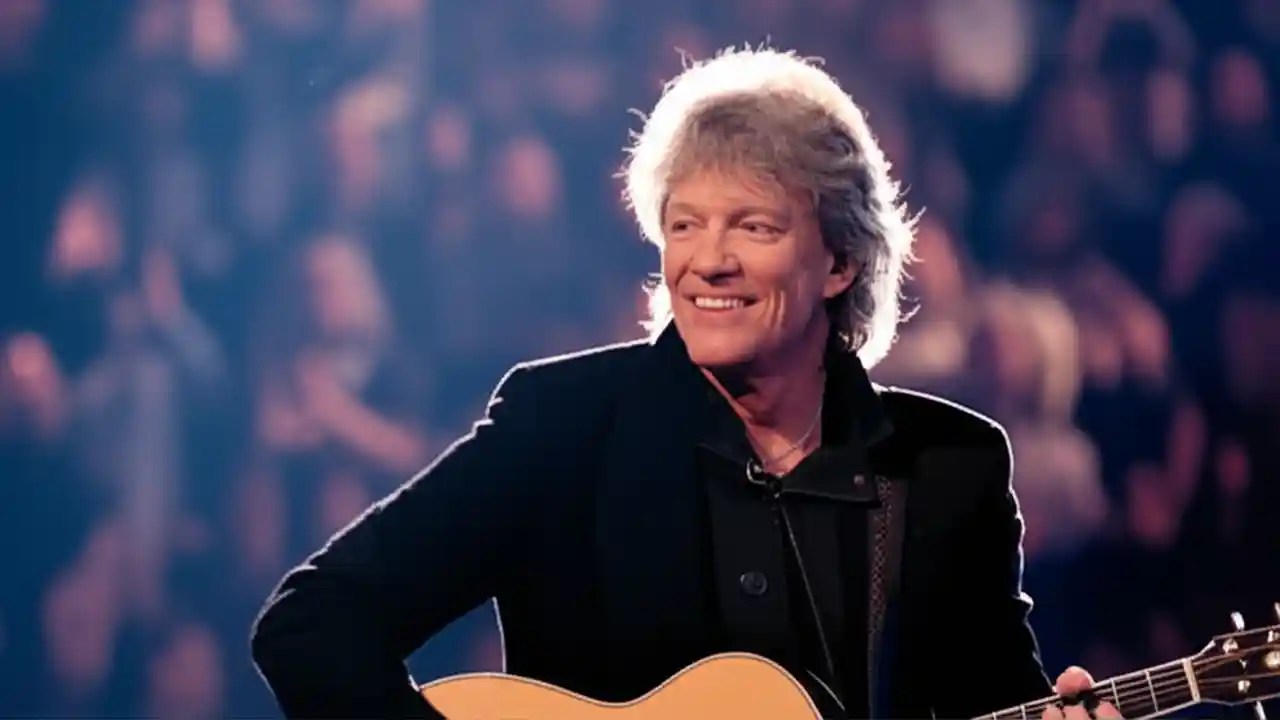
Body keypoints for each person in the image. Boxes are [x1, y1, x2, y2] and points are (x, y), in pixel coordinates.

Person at [250, 47, 1118, 720]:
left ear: (839, 261)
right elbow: (313, 623)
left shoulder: (948, 467)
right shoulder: (566, 427)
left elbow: (997, 700)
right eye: (685, 225)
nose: (708, 261)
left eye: (753, 226)